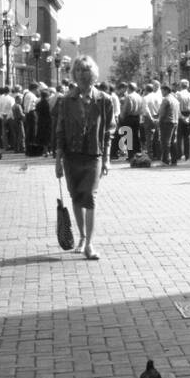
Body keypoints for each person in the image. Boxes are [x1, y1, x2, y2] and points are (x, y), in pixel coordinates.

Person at [54, 56, 115, 260]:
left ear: (94, 74)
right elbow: (60, 130)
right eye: (78, 70)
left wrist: (107, 158)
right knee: (76, 197)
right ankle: (81, 237)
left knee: (89, 196)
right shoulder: (66, 100)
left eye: (86, 70)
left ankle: (89, 244)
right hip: (71, 156)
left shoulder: (104, 100)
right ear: (74, 74)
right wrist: (58, 159)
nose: (82, 73)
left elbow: (108, 132)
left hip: (93, 156)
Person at [157, 83, 180, 165]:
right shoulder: (175, 100)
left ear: (166, 90)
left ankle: (165, 160)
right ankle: (174, 160)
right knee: (173, 141)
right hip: (175, 122)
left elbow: (162, 112)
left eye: (162, 90)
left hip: (166, 123)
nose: (161, 92)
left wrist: (159, 121)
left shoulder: (166, 99)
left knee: (165, 142)